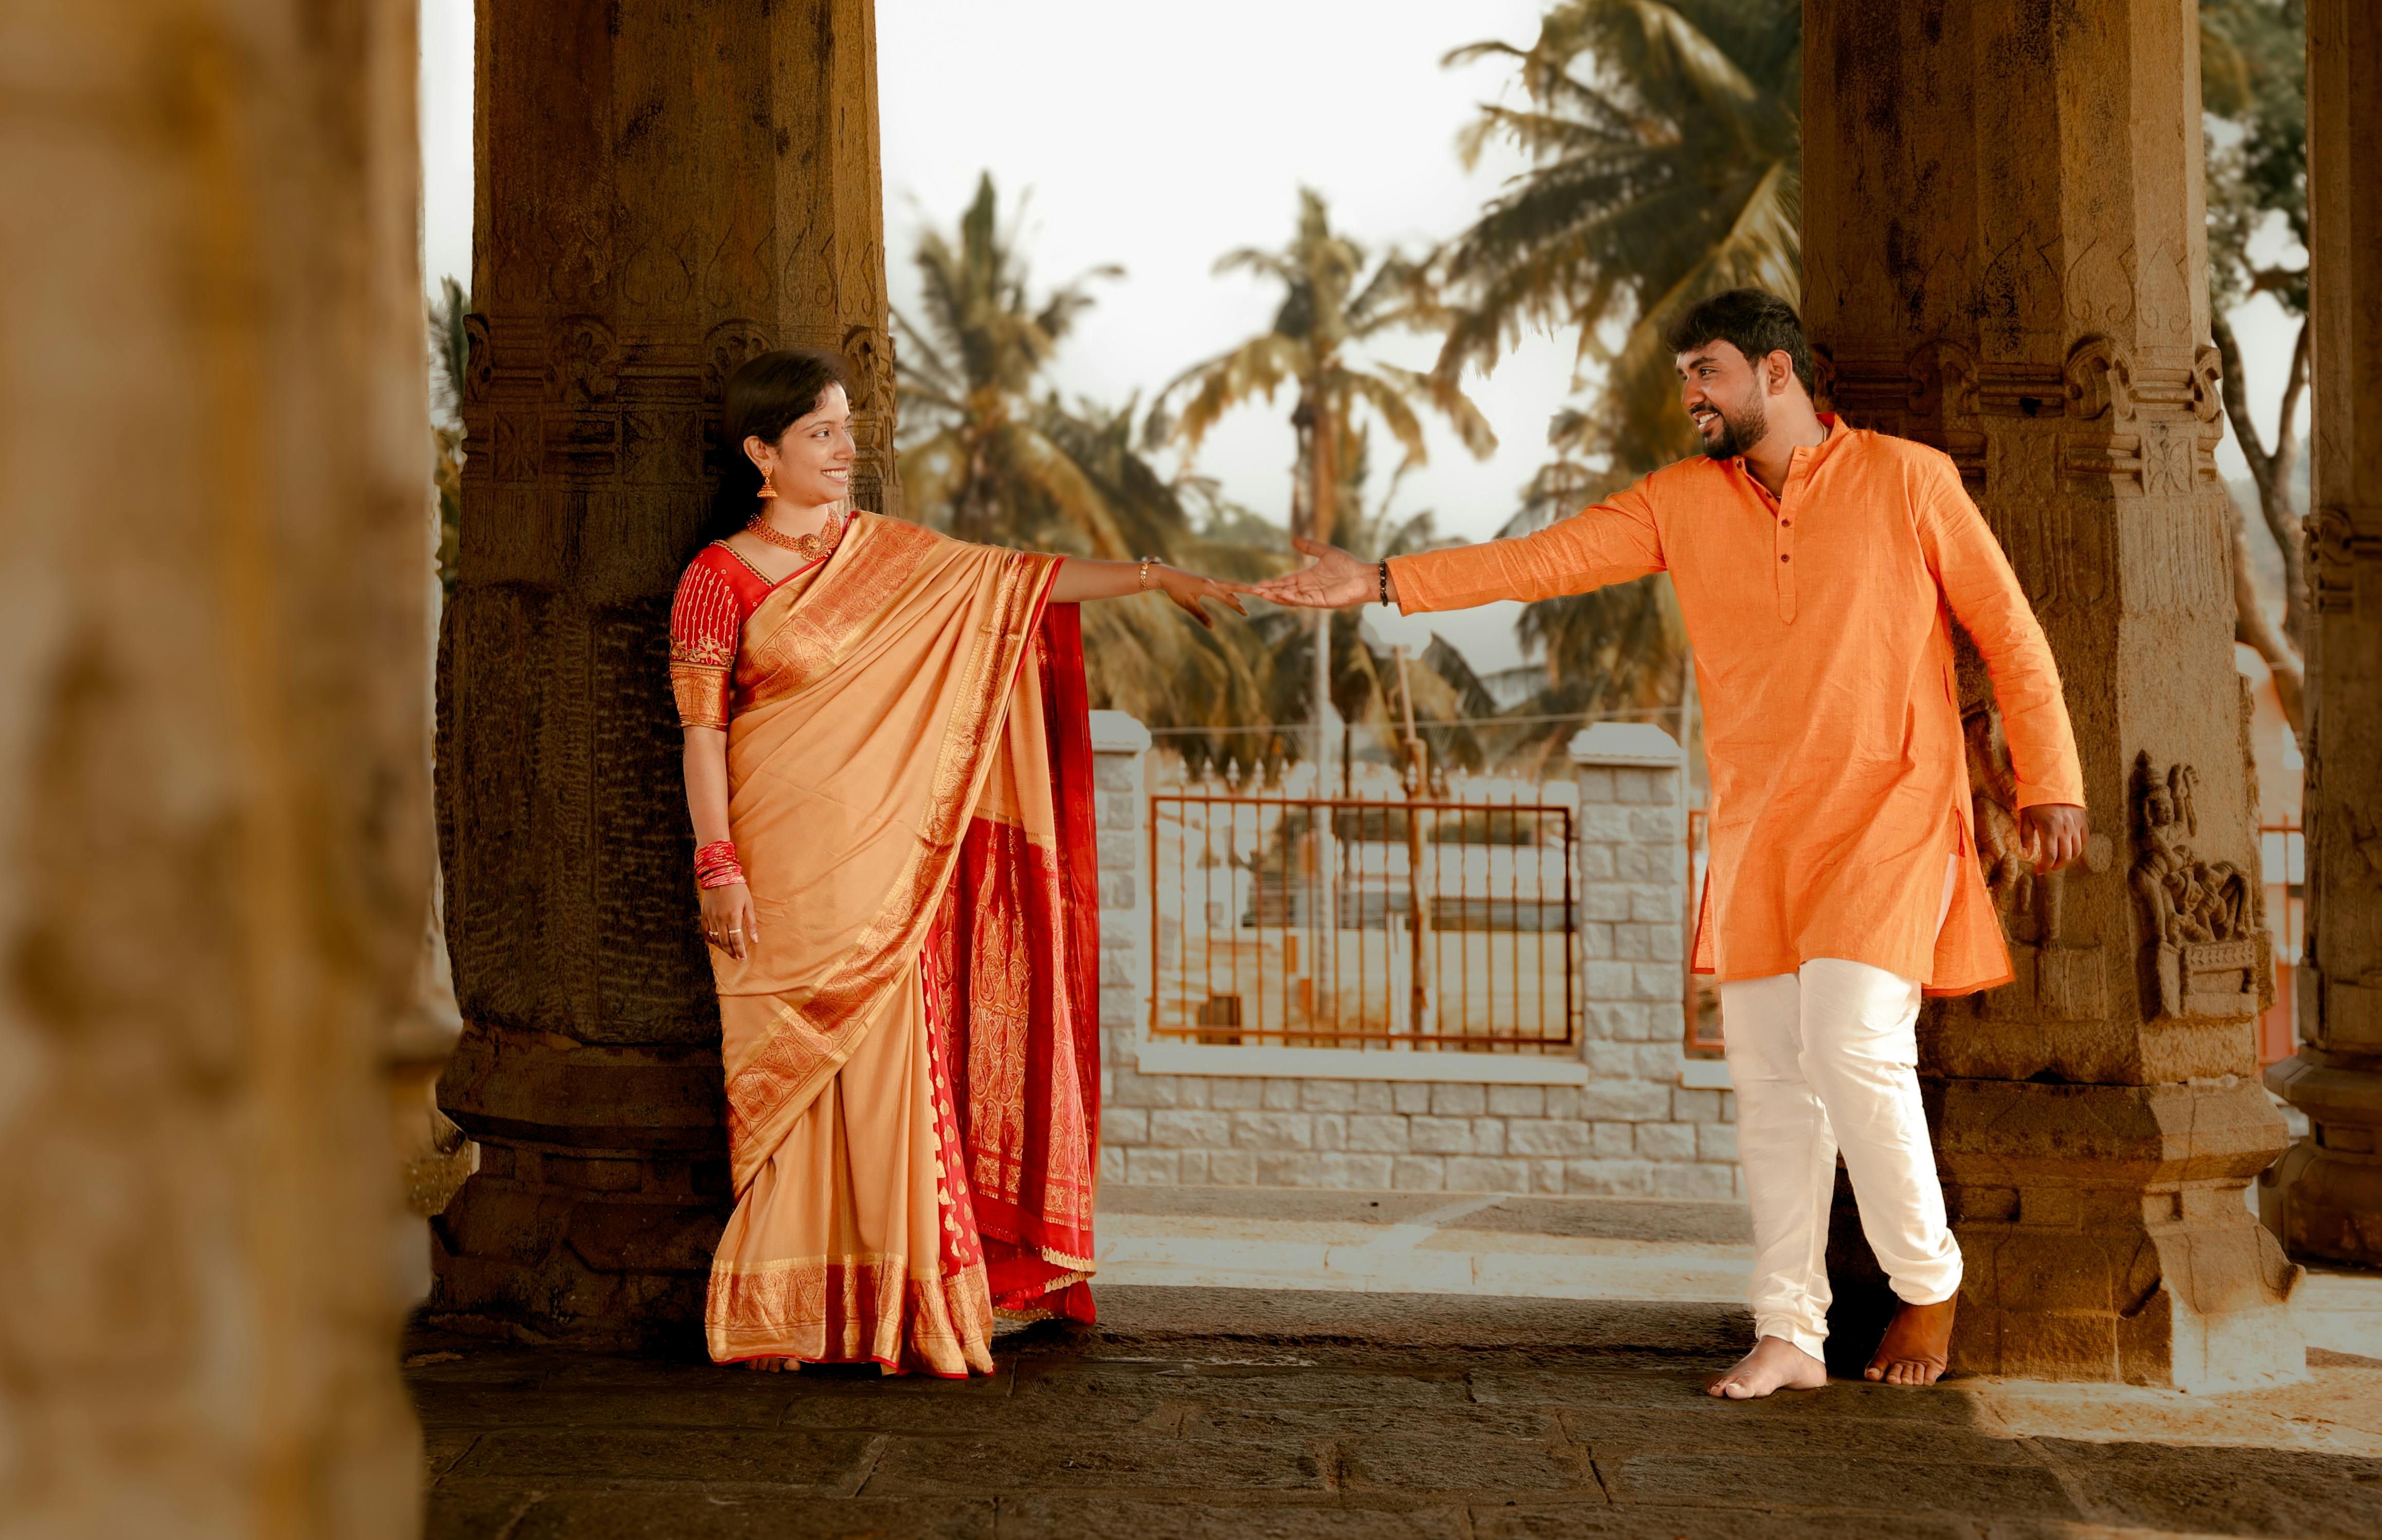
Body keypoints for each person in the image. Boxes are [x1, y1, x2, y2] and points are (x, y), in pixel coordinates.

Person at [1253, 291, 2085, 1392]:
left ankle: (1925, 1284)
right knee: (1772, 1086)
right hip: (1756, 825)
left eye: (1709, 371)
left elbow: (2010, 631)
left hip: (1889, 808)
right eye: (1686, 375)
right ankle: (1790, 1327)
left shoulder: (1907, 479)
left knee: (1849, 1041)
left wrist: (2051, 777)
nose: (1689, 393)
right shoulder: (1680, 502)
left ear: (1777, 374)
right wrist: (1383, 581)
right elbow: (1542, 559)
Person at [671, 350, 1246, 1374]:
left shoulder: (888, 556)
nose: (846, 450)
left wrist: (1154, 577)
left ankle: (902, 1302)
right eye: (820, 434)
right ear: (761, 452)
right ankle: (788, 1307)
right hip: (779, 858)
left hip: (887, 864)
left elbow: (1014, 583)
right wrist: (718, 864)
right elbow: (701, 732)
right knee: (790, 1077)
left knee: (891, 1068)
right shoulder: (715, 581)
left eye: (848, 428)